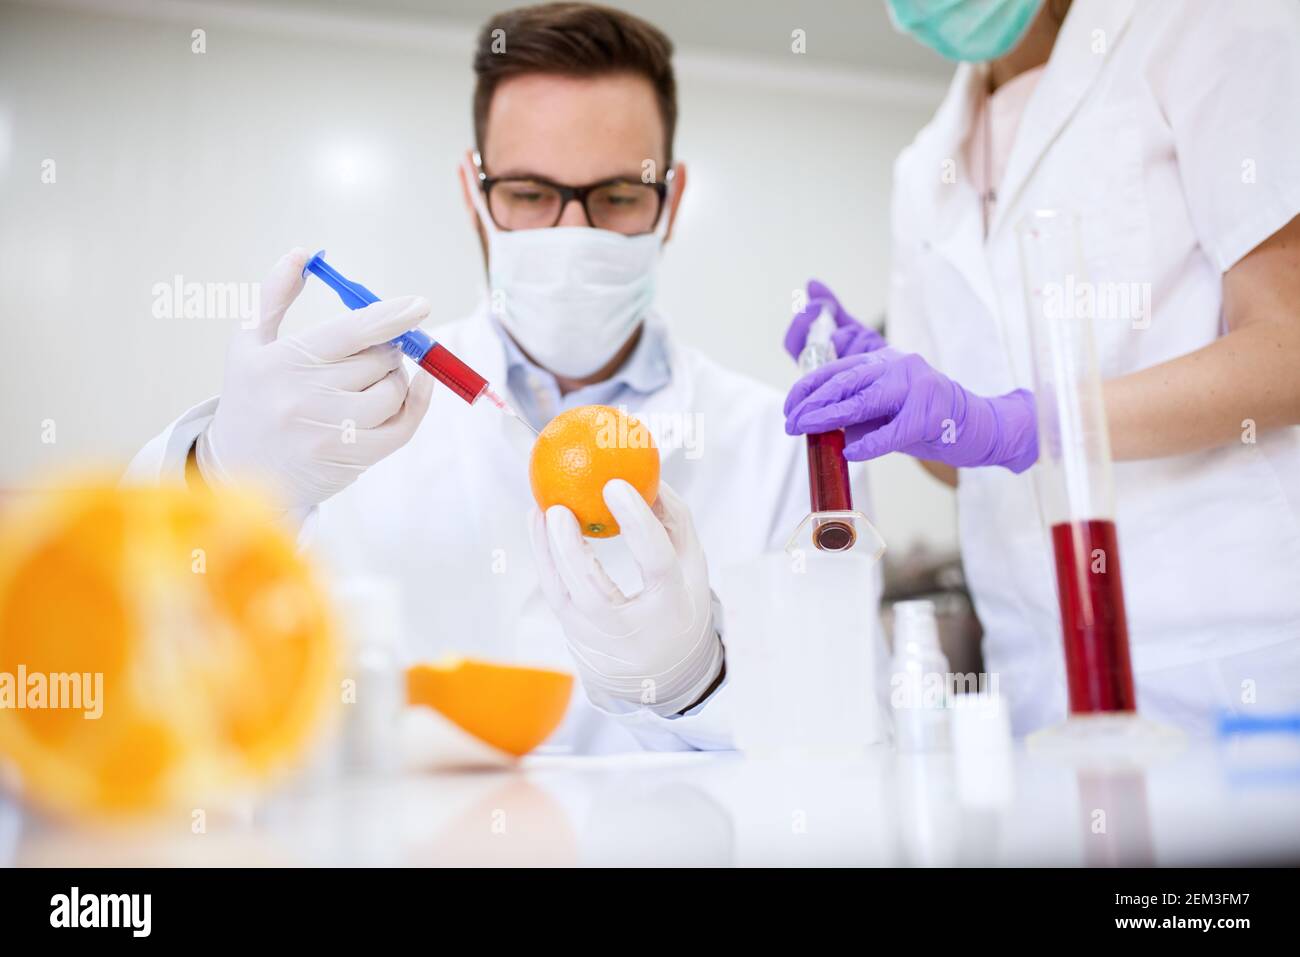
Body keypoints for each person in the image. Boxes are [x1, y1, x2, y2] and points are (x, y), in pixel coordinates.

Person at [127, 2, 876, 752]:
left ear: (670, 200)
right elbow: (134, 631)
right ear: (472, 192)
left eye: (617, 195)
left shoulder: (780, 445)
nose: (572, 235)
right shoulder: (343, 423)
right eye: (528, 193)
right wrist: (221, 478)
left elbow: (846, 741)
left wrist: (697, 683)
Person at [785, 0, 1300, 735]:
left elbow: (1288, 349)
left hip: (1236, 657)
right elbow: (964, 465)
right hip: (1033, 682)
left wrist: (1023, 423)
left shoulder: (1203, 21)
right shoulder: (921, 168)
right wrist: (910, 408)